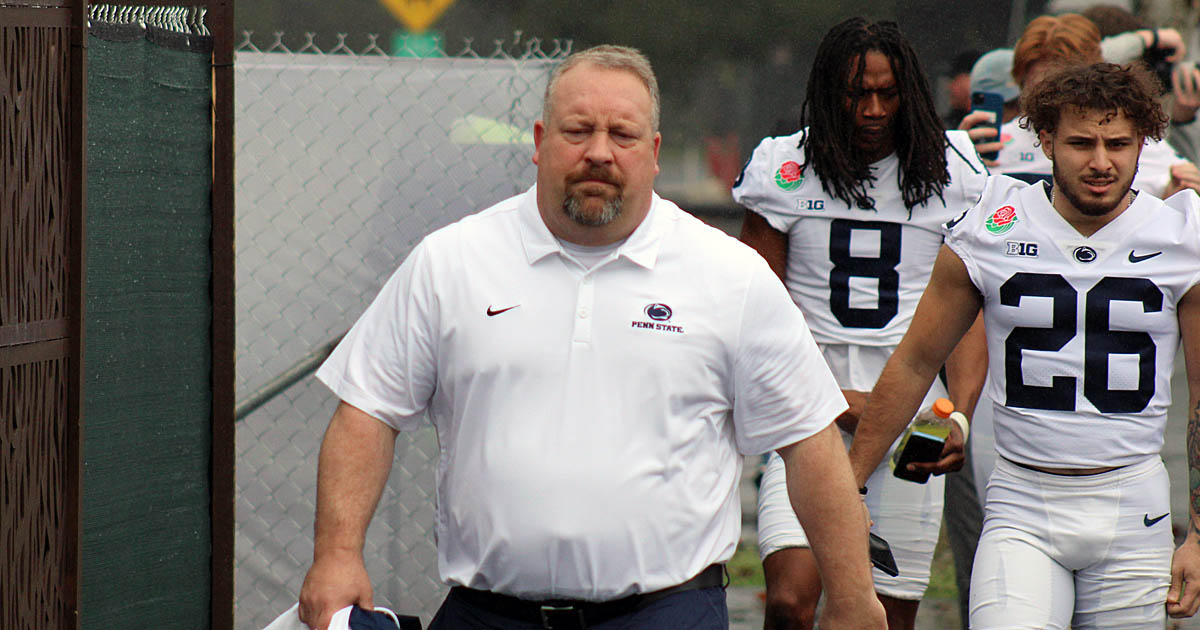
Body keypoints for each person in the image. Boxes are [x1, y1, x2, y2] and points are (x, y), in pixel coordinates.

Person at [296, 44, 887, 630]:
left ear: (653, 152)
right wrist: (337, 555)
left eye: (622, 135)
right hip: (487, 615)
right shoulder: (451, 262)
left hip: (666, 616)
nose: (599, 152)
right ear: (539, 141)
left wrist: (853, 598)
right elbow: (367, 410)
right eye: (578, 131)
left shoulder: (729, 276)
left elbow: (810, 444)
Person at [848, 61, 1200, 629]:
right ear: (1046, 140)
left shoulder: (1183, 234)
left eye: (1118, 143)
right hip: (1022, 501)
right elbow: (915, 361)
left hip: (1133, 504)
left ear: (1143, 143)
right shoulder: (993, 225)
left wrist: (1199, 536)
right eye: (1081, 143)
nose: (1101, 162)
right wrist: (849, 484)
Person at [732, 17, 989, 630]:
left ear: (910, 92)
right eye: (857, 93)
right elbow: (755, 308)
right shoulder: (784, 165)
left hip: (916, 416)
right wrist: (835, 399)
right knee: (790, 600)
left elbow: (968, 310)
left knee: (886, 616)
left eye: (888, 93)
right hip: (810, 409)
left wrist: (959, 415)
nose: (873, 110)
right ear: (828, 91)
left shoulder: (953, 169)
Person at [966, 14, 1200, 198]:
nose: (1051, 102)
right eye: (1040, 89)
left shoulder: (1135, 143)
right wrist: (962, 162)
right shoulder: (991, 145)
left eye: (1065, 90)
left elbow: (1179, 194)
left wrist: (1173, 198)